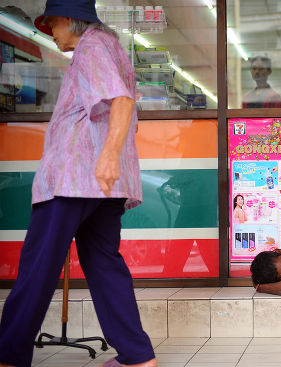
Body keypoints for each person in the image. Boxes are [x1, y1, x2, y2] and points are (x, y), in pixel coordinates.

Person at [0, 1, 156, 366]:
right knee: (104, 264)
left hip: (74, 178)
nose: (50, 31)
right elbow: (127, 104)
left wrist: (107, 156)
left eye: (52, 23)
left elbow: (121, 100)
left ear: (70, 20)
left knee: (39, 264)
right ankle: (137, 357)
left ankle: (7, 355)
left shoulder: (92, 46)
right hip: (102, 186)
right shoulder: (112, 46)